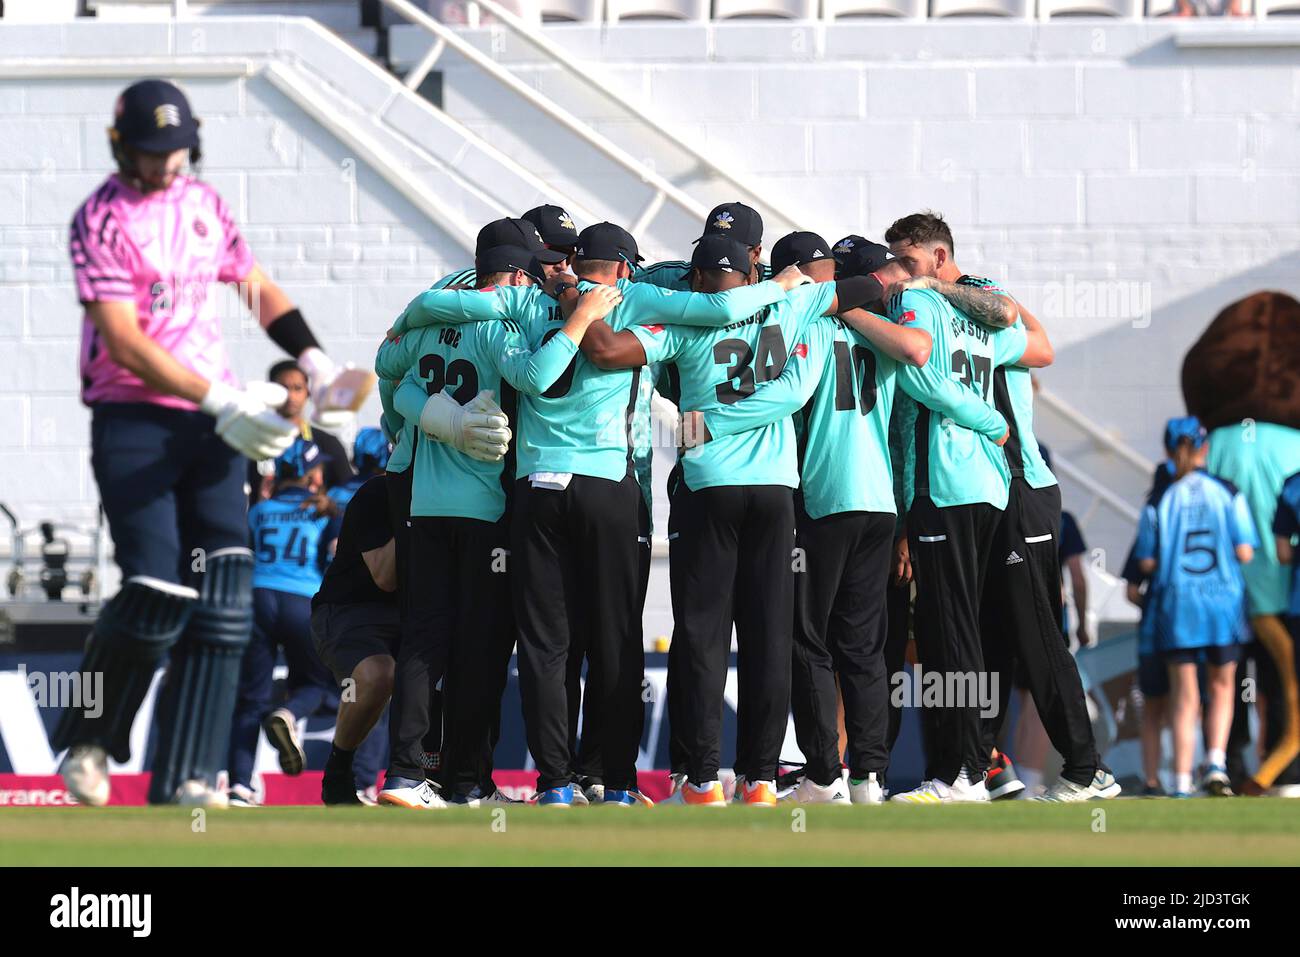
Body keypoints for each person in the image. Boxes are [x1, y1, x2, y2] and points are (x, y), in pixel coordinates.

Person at [388, 222, 812, 806]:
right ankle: (615, 783)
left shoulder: (530, 298)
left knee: (545, 646)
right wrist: (781, 287)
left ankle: (555, 785)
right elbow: (716, 309)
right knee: (615, 640)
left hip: (537, 489)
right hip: (610, 485)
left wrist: (409, 322)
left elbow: (437, 308)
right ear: (620, 267)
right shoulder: (634, 295)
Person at [54, 78, 355, 807]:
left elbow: (252, 286)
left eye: (176, 150)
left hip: (212, 424)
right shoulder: (98, 218)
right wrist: (217, 394)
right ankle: (88, 740)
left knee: (224, 598)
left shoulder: (204, 204)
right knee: (156, 587)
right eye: (152, 153)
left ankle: (189, 775)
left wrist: (313, 359)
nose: (165, 166)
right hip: (135, 420)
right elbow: (123, 341)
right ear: (120, 144)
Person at [580, 234, 904, 806]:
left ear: (700, 281)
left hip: (709, 487)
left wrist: (700, 427)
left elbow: (606, 353)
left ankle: (702, 780)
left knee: (703, 635)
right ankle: (759, 779)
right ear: (752, 270)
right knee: (769, 637)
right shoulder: (792, 306)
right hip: (776, 489)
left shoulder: (686, 325)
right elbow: (805, 381)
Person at [677, 233, 1000, 805]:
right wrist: (988, 420)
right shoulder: (891, 340)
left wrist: (703, 428)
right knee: (863, 645)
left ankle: (822, 772)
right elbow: (925, 380)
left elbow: (795, 399)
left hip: (826, 500)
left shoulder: (815, 326)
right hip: (880, 504)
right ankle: (869, 777)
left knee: (806, 638)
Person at [882, 212, 1116, 803]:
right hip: (992, 485)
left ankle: (1079, 768)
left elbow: (1037, 341)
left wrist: (942, 293)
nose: (898, 275)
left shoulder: (967, 301)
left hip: (1018, 484)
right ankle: (984, 763)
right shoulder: (968, 313)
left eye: (908, 263)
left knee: (1025, 632)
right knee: (989, 636)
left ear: (938, 260)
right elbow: (1024, 339)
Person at [376, 257, 621, 809]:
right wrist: (579, 320)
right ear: (513, 278)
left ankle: (403, 775)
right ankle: (465, 784)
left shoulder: (427, 324)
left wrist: (417, 325)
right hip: (485, 509)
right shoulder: (496, 330)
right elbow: (535, 378)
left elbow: (390, 374)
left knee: (422, 640)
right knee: (478, 649)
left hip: (425, 504)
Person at [1182, 292, 1300, 795]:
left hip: (1219, 590)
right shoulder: (1294, 444)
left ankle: (1222, 763)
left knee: (1223, 680)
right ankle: (1285, 771)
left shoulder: (1209, 444)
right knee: (1282, 683)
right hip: (1282, 590)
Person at [1134, 427, 1257, 797]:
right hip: (1222, 602)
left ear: (1167, 449)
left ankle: (1181, 780)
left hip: (1179, 603)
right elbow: (1245, 551)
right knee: (1222, 687)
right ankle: (1216, 762)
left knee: (1184, 696)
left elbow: (1146, 561)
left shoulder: (1160, 498)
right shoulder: (1228, 492)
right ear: (1206, 447)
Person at [228, 438, 339, 806]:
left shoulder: (259, 510)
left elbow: (243, 555)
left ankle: (240, 787)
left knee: (249, 698)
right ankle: (288, 713)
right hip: (302, 601)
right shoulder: (325, 511)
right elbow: (335, 559)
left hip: (257, 599)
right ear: (312, 474)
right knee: (319, 685)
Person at [312, 473, 401, 806]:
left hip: (415, 613)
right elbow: (384, 577)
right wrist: (415, 510)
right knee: (378, 676)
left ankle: (445, 779)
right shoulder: (377, 493)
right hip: (351, 611)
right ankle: (340, 771)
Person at [248, 360, 355, 505]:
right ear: (271, 393)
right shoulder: (253, 442)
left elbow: (347, 493)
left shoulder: (327, 443)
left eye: (297, 388)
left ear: (308, 392)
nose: (291, 396)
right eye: (283, 388)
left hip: (316, 525)